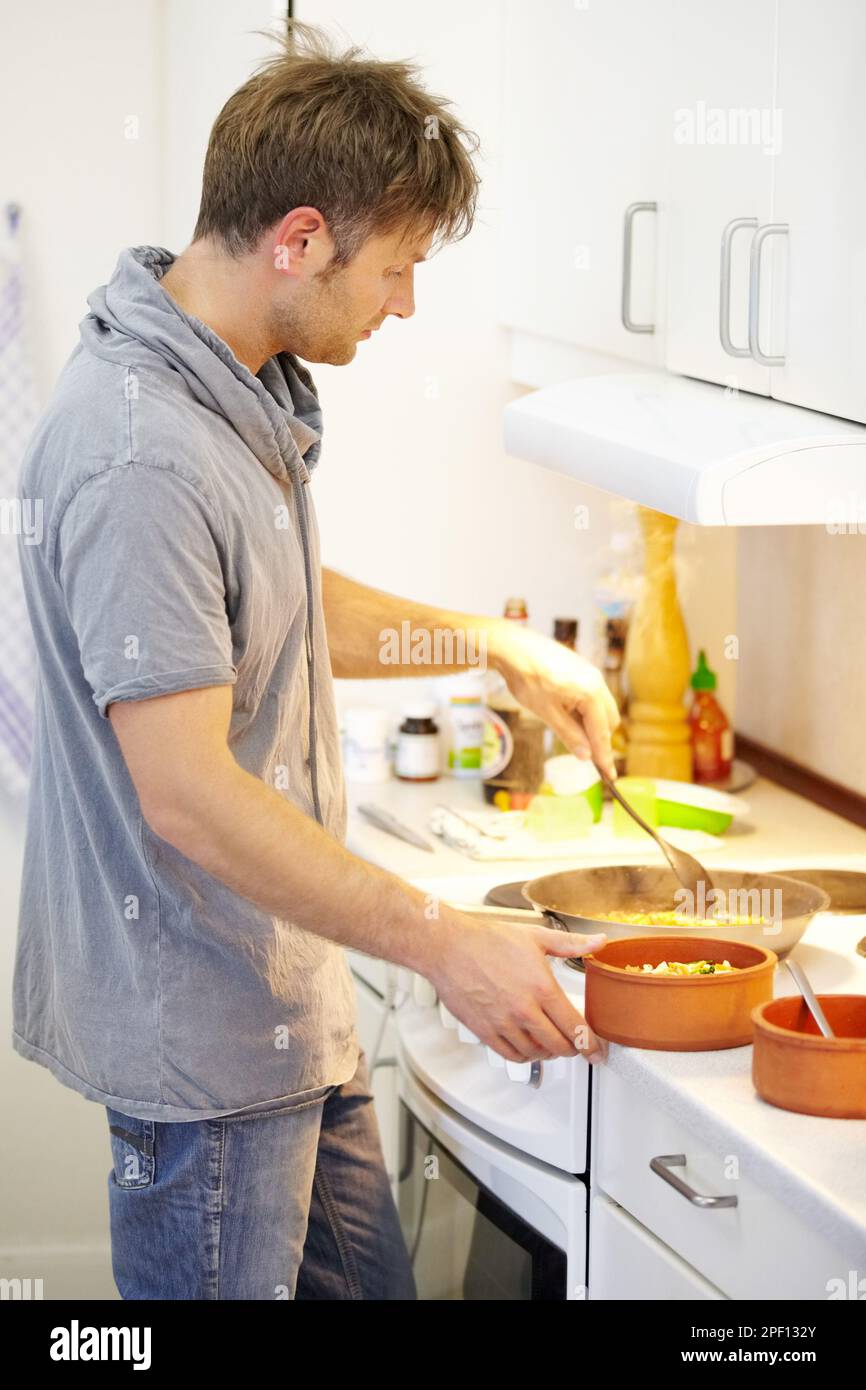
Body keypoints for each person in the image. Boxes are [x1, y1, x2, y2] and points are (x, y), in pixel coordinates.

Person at [13, 20, 619, 1301]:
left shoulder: (232, 381)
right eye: (393, 268)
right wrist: (442, 941)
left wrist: (491, 643)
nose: (403, 302)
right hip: (210, 1050)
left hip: (288, 1011)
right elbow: (183, 792)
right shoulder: (143, 450)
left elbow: (261, 603)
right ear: (297, 240)